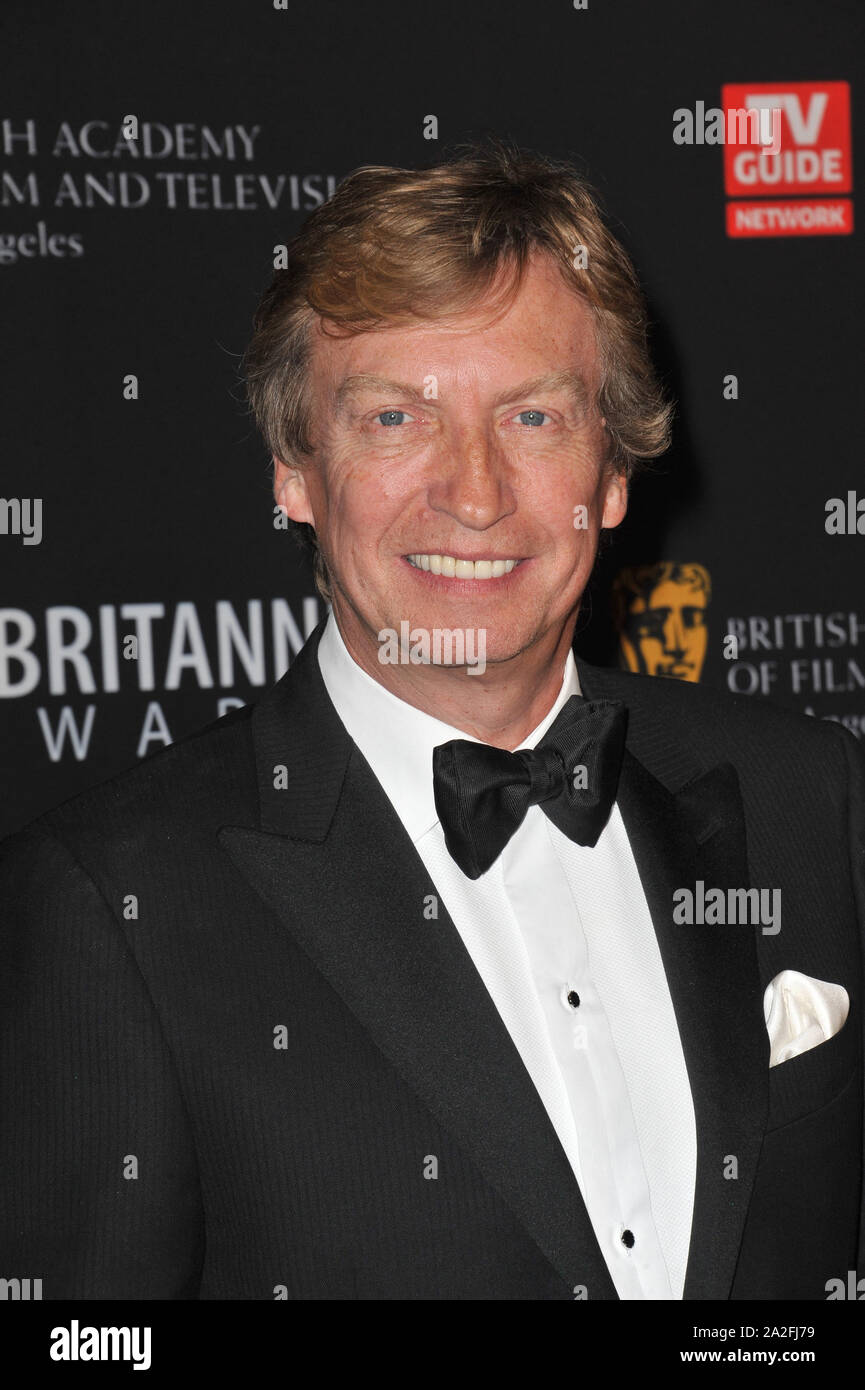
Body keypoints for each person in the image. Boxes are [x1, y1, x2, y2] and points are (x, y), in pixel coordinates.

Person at [1, 141, 862, 1301]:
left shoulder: (811, 797)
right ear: (295, 471)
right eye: (396, 418)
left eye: (535, 417)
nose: (473, 492)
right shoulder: (112, 904)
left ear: (610, 471)